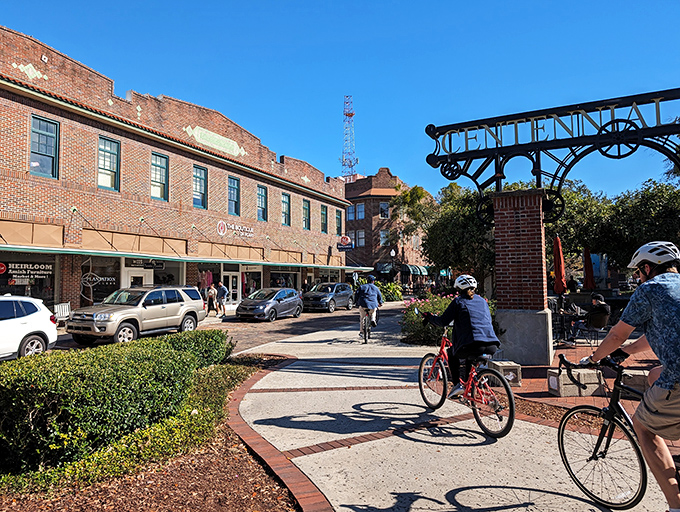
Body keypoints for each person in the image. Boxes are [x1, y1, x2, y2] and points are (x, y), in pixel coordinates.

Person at [581, 241, 680, 512]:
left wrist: (594, 359)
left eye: (638, 272)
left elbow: (616, 334)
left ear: (648, 268)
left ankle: (676, 506)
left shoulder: (649, 289)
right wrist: (626, 352)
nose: (637, 277)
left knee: (643, 426)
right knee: (653, 375)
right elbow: (658, 332)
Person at [423, 274, 500, 398]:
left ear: (458, 288)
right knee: (470, 357)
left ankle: (457, 385)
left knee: (452, 353)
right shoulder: (482, 301)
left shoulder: (459, 301)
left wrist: (429, 317)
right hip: (491, 344)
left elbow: (443, 321)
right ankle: (469, 389)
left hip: (473, 344)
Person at [354, 275, 383, 341]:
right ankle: (373, 319)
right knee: (374, 311)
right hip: (372, 304)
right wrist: (380, 303)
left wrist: (355, 302)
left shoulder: (362, 287)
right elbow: (379, 296)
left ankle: (361, 332)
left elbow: (356, 294)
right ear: (373, 281)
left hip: (363, 304)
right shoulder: (376, 288)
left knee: (362, 318)